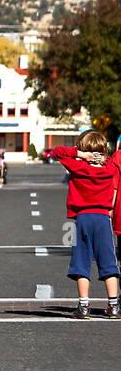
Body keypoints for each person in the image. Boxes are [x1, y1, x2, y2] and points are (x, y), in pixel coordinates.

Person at [43, 131, 121, 319]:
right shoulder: (110, 168)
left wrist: (79, 154)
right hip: (103, 218)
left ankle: (84, 306)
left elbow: (58, 152)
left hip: (83, 218)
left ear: (84, 150)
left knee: (82, 261)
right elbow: (115, 163)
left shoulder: (77, 167)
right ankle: (113, 306)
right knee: (109, 262)